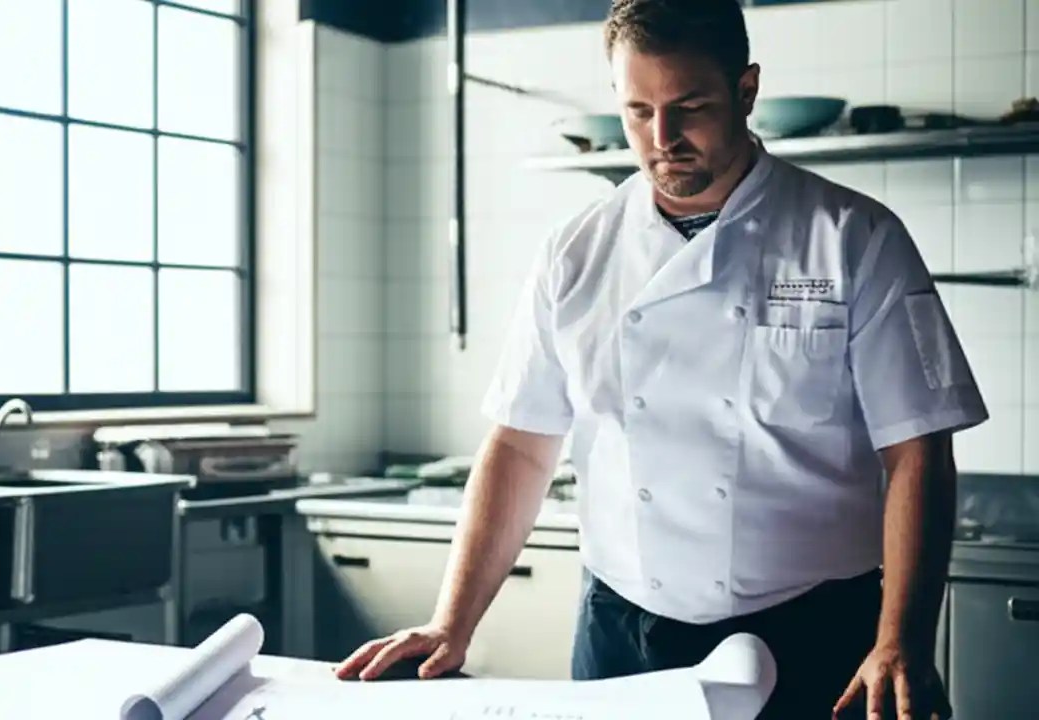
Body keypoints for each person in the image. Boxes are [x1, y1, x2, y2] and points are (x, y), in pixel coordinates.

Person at [333, 0, 987, 718]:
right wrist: (450, 623)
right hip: (624, 636)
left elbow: (918, 451)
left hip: (820, 635)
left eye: (690, 106)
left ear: (746, 91)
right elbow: (520, 445)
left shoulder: (854, 237)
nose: (662, 138)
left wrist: (902, 638)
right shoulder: (576, 252)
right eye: (637, 110)